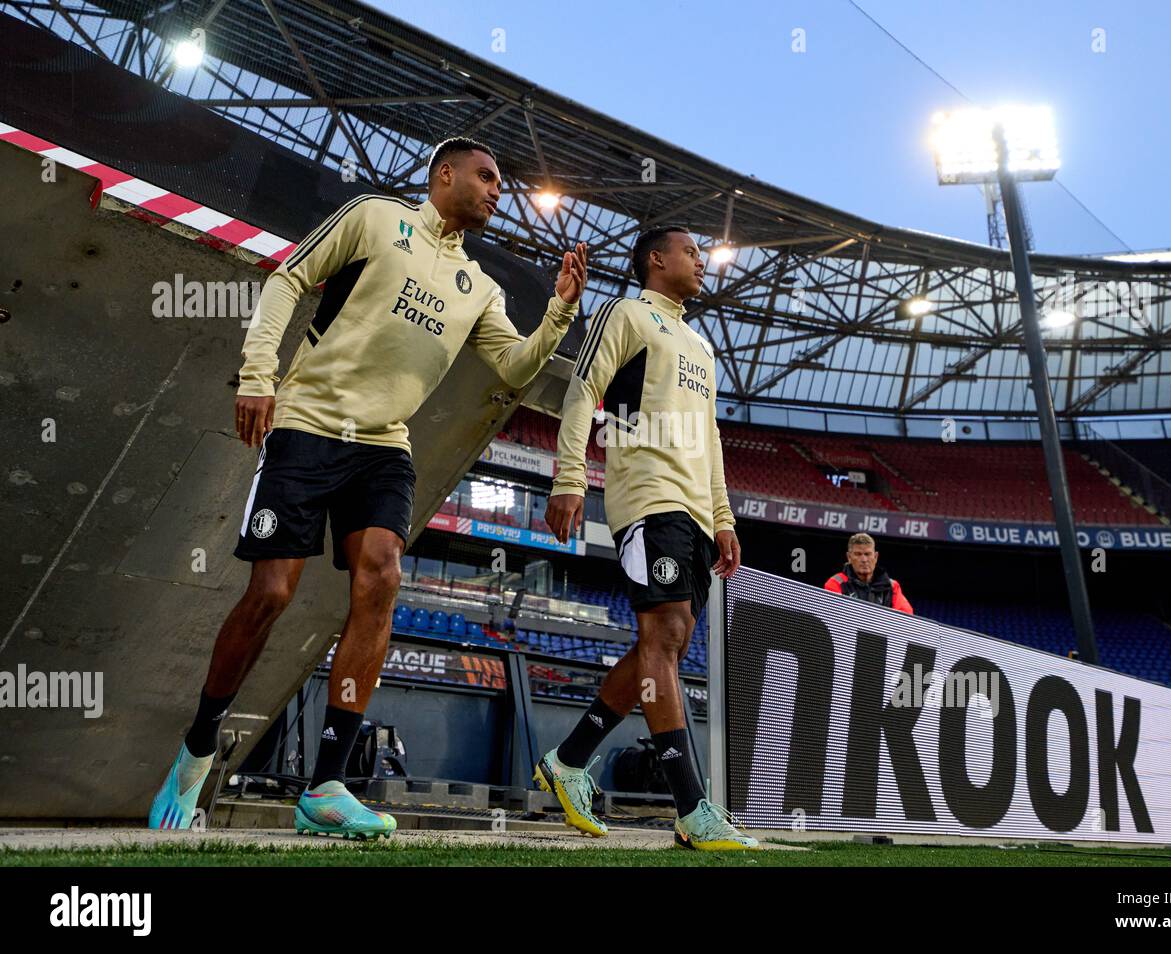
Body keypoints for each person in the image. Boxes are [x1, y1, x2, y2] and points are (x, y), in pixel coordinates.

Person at [148, 137, 588, 838]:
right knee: (270, 595)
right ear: (444, 175)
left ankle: (326, 785)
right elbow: (289, 277)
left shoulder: (480, 287)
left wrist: (560, 312)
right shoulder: (375, 218)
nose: (497, 190)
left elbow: (512, 367)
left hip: (384, 445)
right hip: (308, 421)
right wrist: (260, 374)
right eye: (487, 177)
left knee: (381, 577)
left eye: (500, 182)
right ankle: (199, 747)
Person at [542, 225, 756, 851]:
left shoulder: (702, 346)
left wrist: (724, 518)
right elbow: (584, 388)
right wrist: (570, 476)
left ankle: (568, 760)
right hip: (646, 495)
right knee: (661, 635)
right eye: (691, 251)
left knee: (667, 642)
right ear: (656, 260)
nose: (701, 261)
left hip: (693, 510)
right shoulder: (627, 314)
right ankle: (692, 808)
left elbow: (711, 438)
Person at [823, 532, 914, 614]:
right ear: (849, 557)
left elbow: (905, 619)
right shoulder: (836, 583)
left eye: (867, 554)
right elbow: (833, 617)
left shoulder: (892, 586)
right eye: (858, 554)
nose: (864, 560)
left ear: (876, 557)